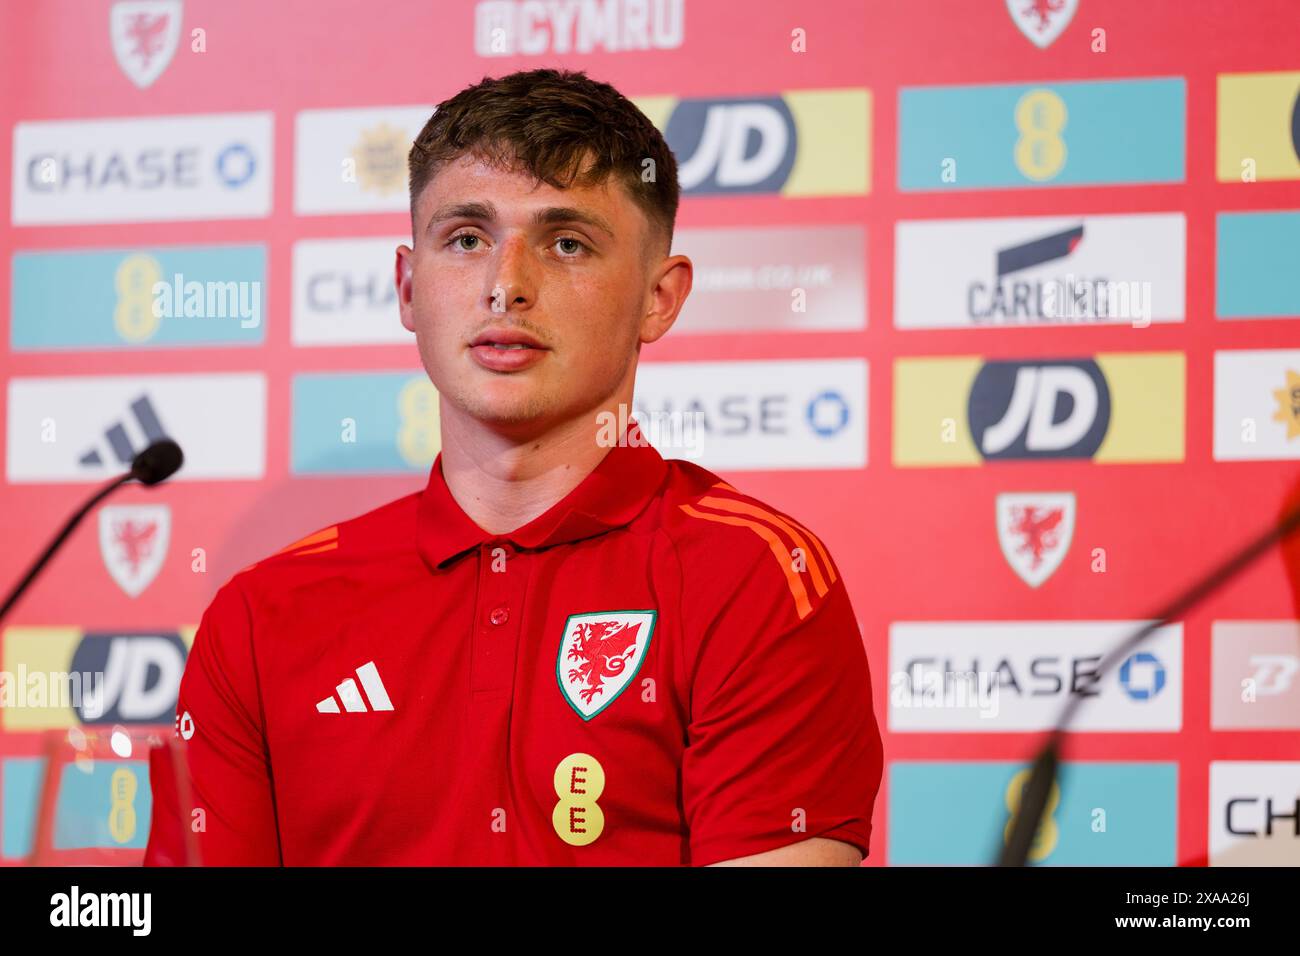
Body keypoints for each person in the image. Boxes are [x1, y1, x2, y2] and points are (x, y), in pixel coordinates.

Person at [144, 67, 882, 866]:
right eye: (467, 239)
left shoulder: (755, 578)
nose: (506, 286)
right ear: (407, 287)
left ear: (659, 298)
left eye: (567, 243)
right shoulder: (260, 617)